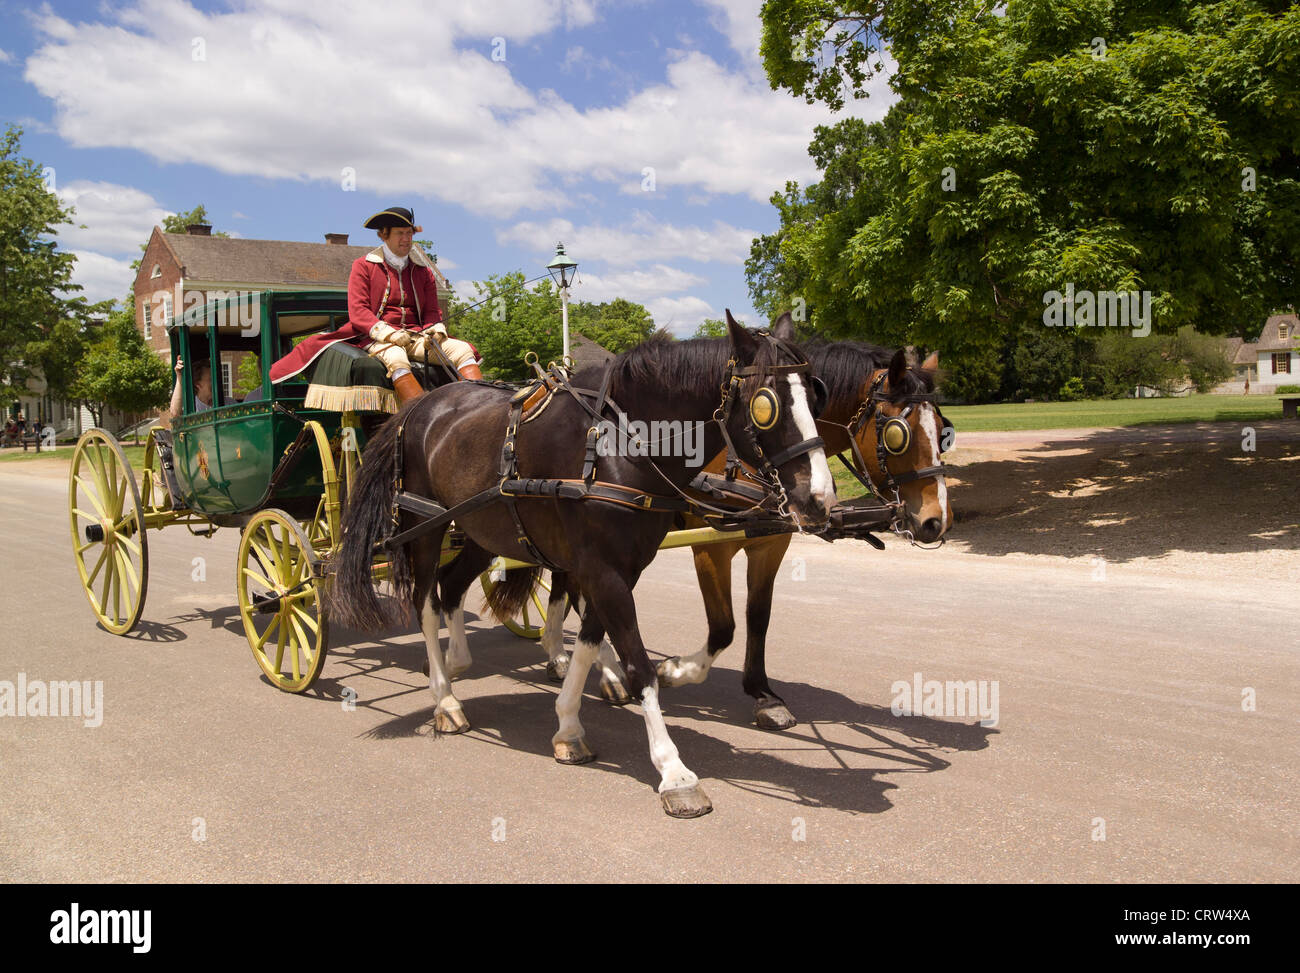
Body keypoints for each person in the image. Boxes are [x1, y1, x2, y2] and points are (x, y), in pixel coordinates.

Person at [268, 206, 482, 403]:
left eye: (409, 234)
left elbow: (432, 312)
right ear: (383, 235)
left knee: (462, 349)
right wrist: (390, 334)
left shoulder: (423, 271)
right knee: (397, 357)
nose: (406, 239)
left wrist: (435, 331)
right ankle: (417, 414)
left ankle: (476, 404)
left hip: (417, 335)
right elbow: (359, 312)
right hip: (375, 337)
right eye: (400, 233)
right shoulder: (363, 266)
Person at [167, 356, 213, 422]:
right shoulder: (192, 407)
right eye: (211, 379)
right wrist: (180, 377)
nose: (216, 382)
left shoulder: (229, 402)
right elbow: (175, 414)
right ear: (198, 384)